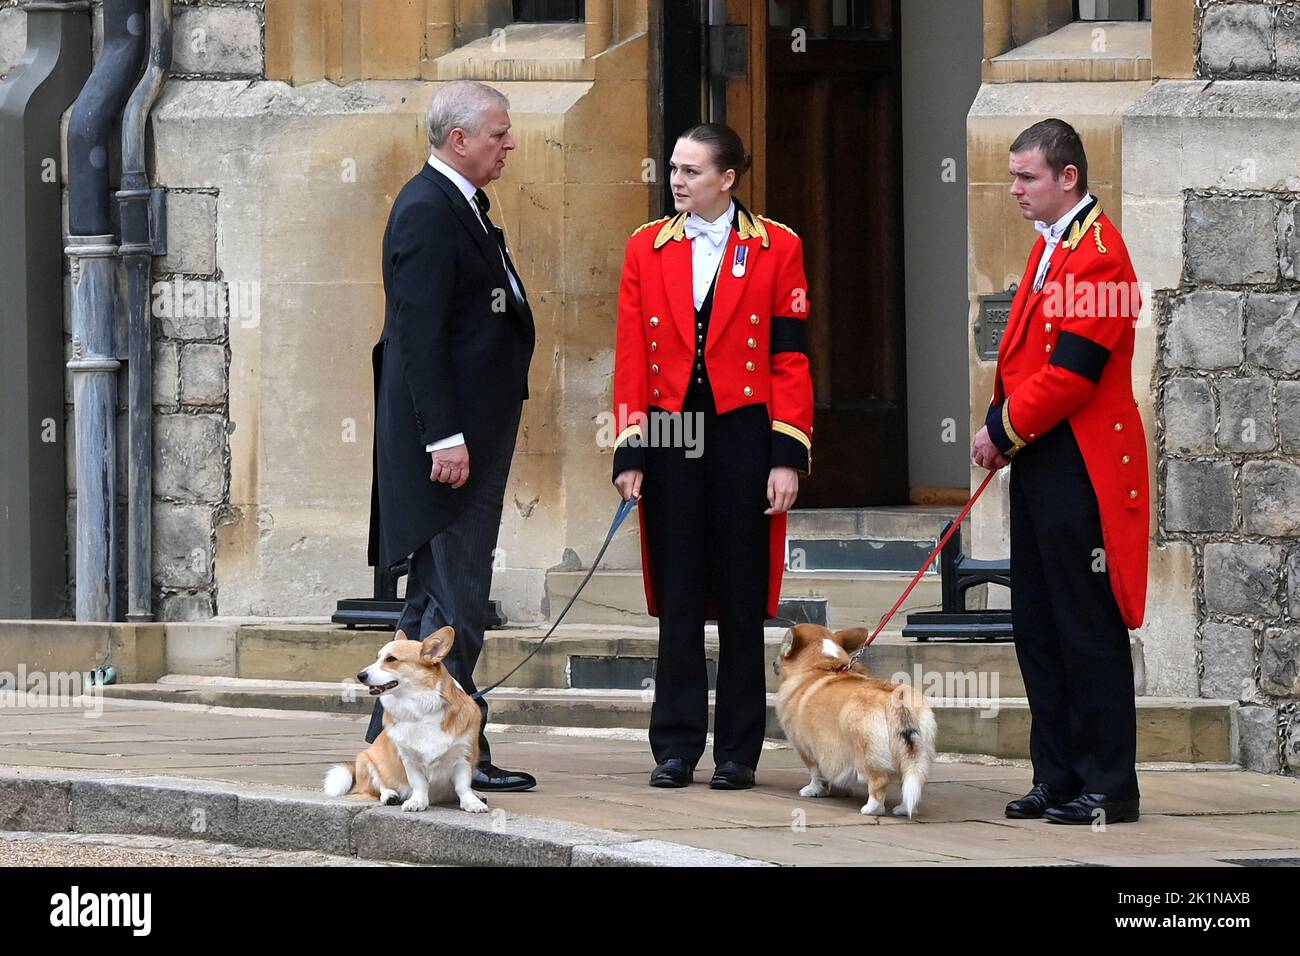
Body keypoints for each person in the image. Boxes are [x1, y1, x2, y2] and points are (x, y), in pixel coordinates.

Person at [611, 123, 814, 790]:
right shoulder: (646, 246)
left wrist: (787, 456)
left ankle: (737, 753)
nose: (677, 180)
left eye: (691, 171)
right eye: (673, 167)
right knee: (678, 592)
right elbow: (632, 359)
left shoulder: (777, 245)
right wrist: (631, 448)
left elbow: (789, 357)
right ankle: (673, 747)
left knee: (740, 593)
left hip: (744, 433)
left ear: (727, 179)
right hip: (671, 434)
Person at [971, 118, 1148, 825]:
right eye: (1013, 176)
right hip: (1044, 455)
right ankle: (1059, 775)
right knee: (1038, 624)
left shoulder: (1099, 254)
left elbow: (1073, 374)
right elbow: (1023, 361)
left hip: (1082, 461)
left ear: (1067, 177)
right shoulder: (1054, 248)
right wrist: (1009, 433)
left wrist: (998, 431)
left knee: (1085, 626)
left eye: (1027, 177)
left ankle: (1111, 783)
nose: (1014, 189)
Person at [366, 80, 537, 792]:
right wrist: (445, 438)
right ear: (459, 139)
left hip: (469, 436)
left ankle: (393, 753)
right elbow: (417, 340)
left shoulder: (459, 203)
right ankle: (456, 751)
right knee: (453, 601)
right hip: (450, 446)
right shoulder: (429, 210)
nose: (510, 145)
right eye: (498, 133)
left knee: (436, 602)